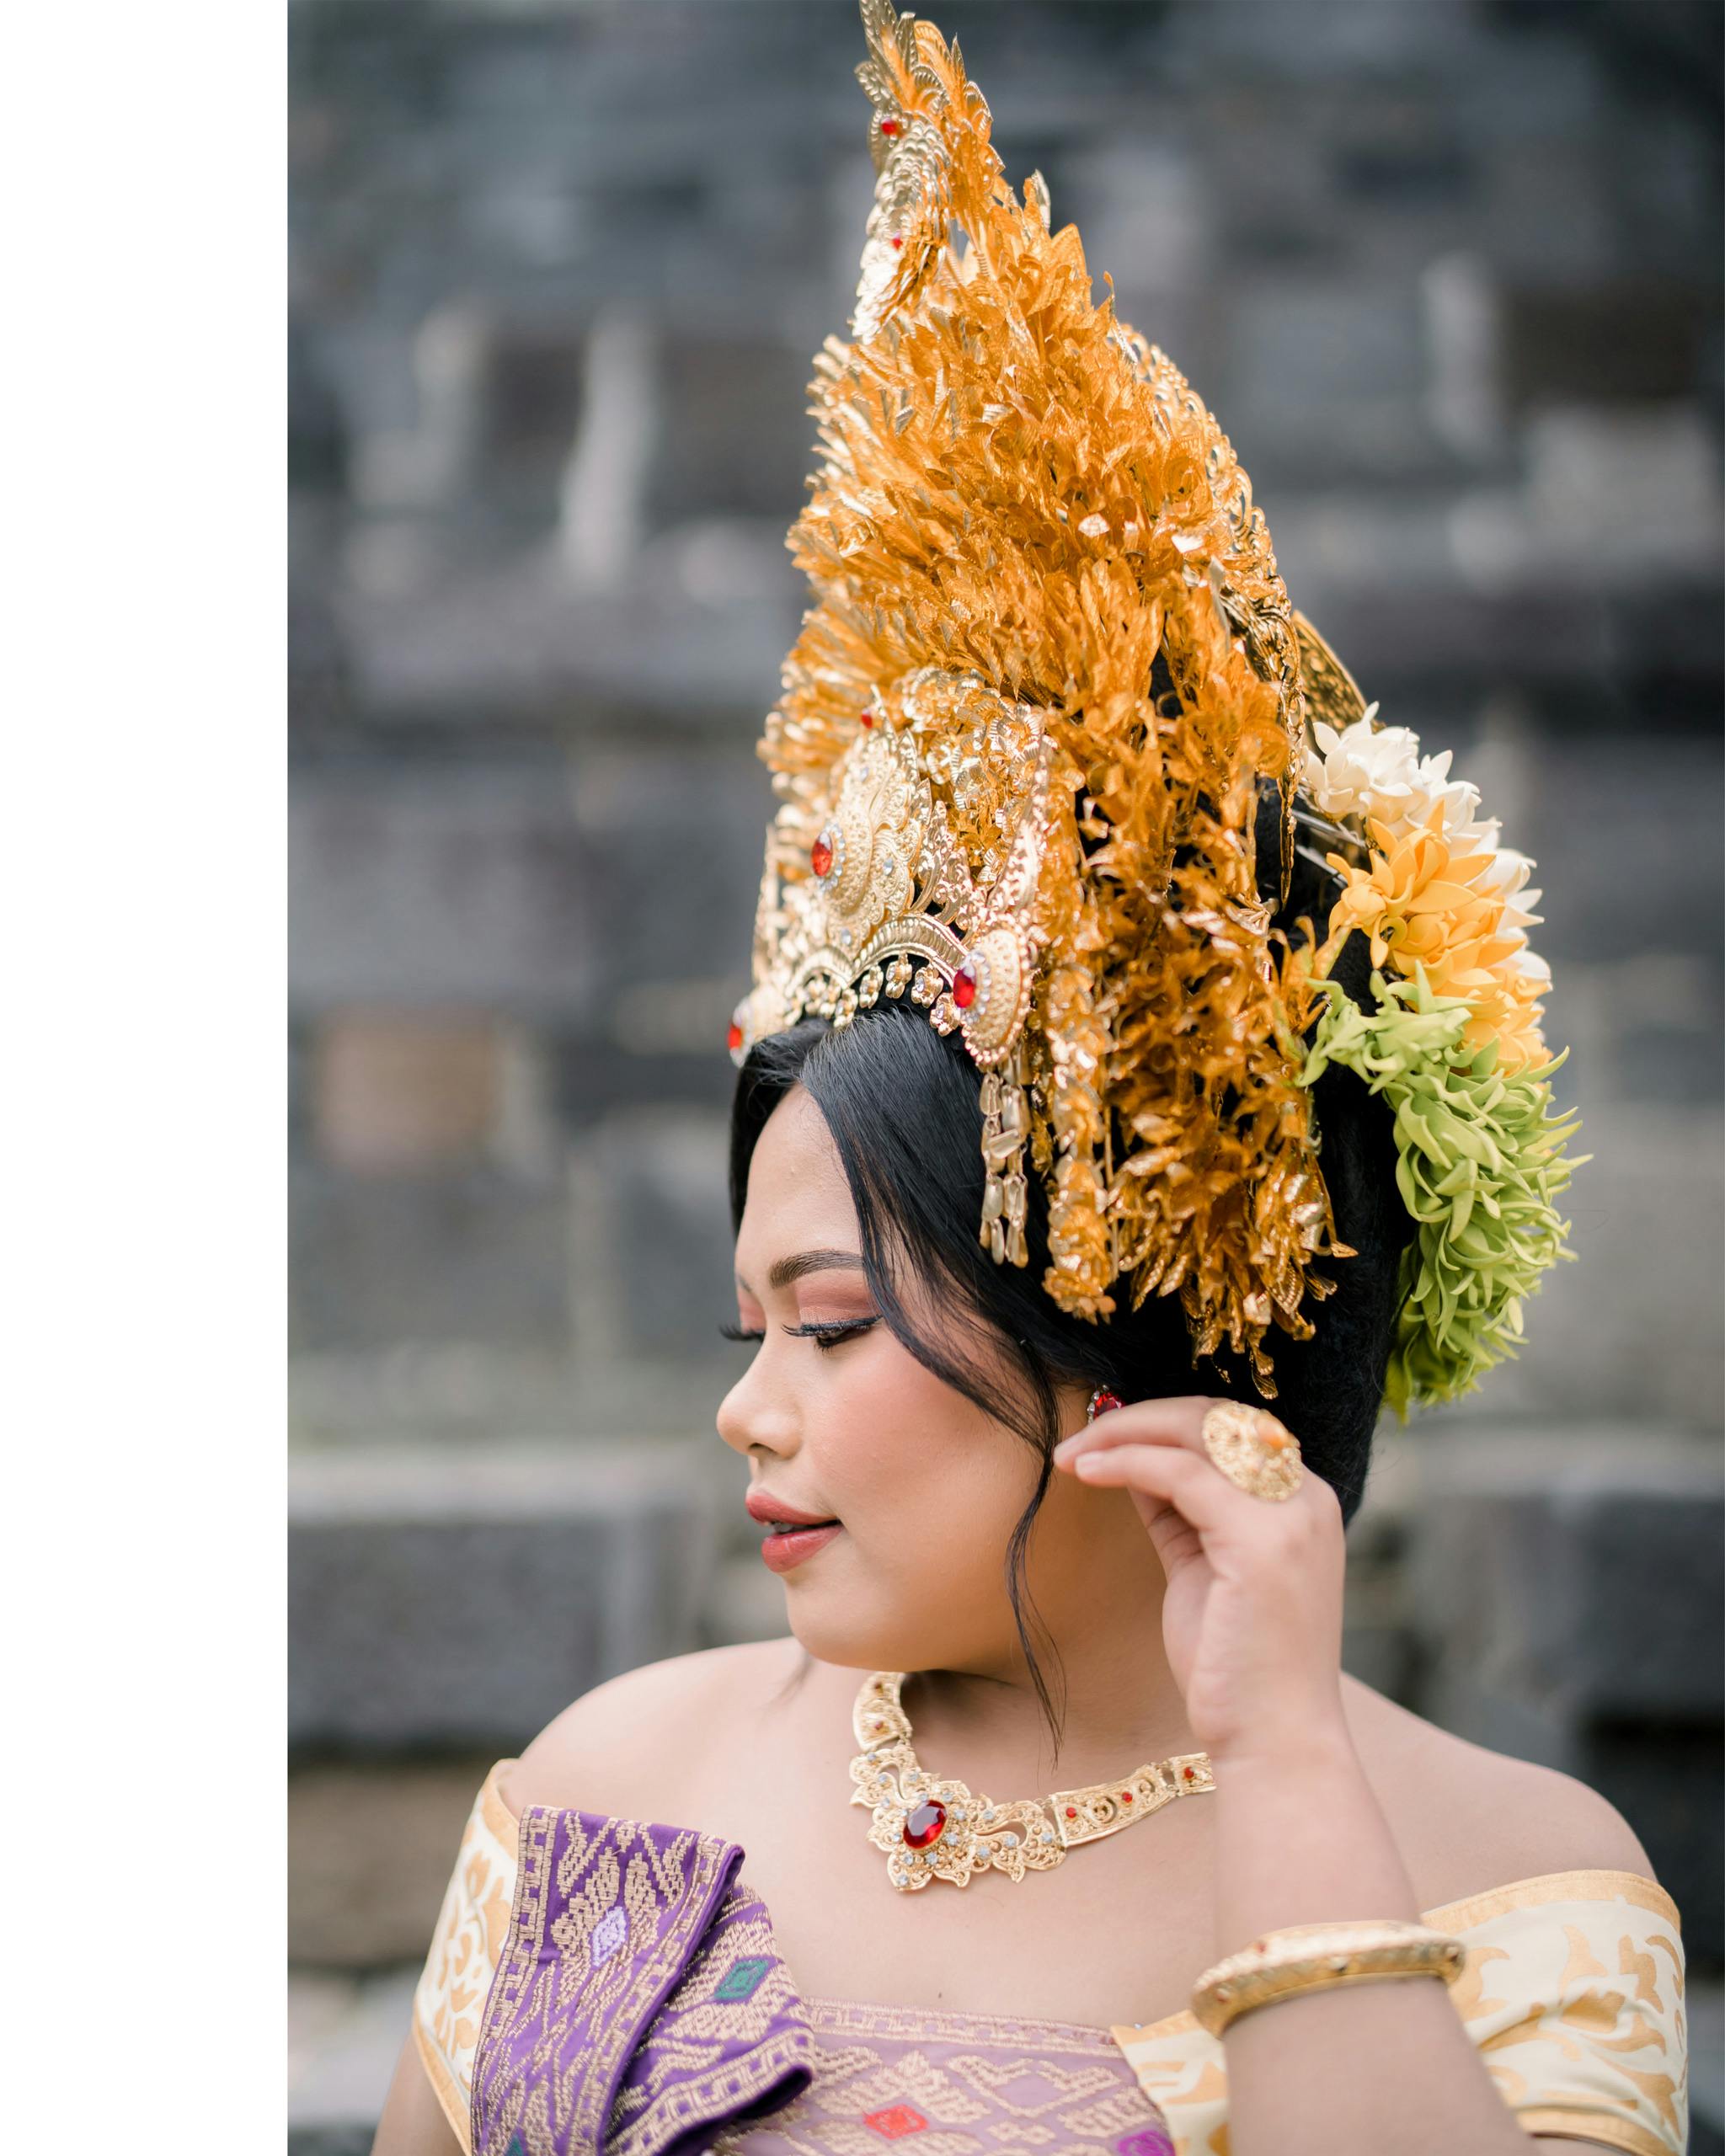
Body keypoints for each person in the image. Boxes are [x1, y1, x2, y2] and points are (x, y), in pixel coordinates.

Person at [371, 8, 1685, 2152]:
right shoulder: (626, 1792)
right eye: (748, 1324)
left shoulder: (1509, 1880)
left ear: (1127, 1319)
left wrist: (1282, 1778)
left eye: (826, 1320)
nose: (748, 1404)